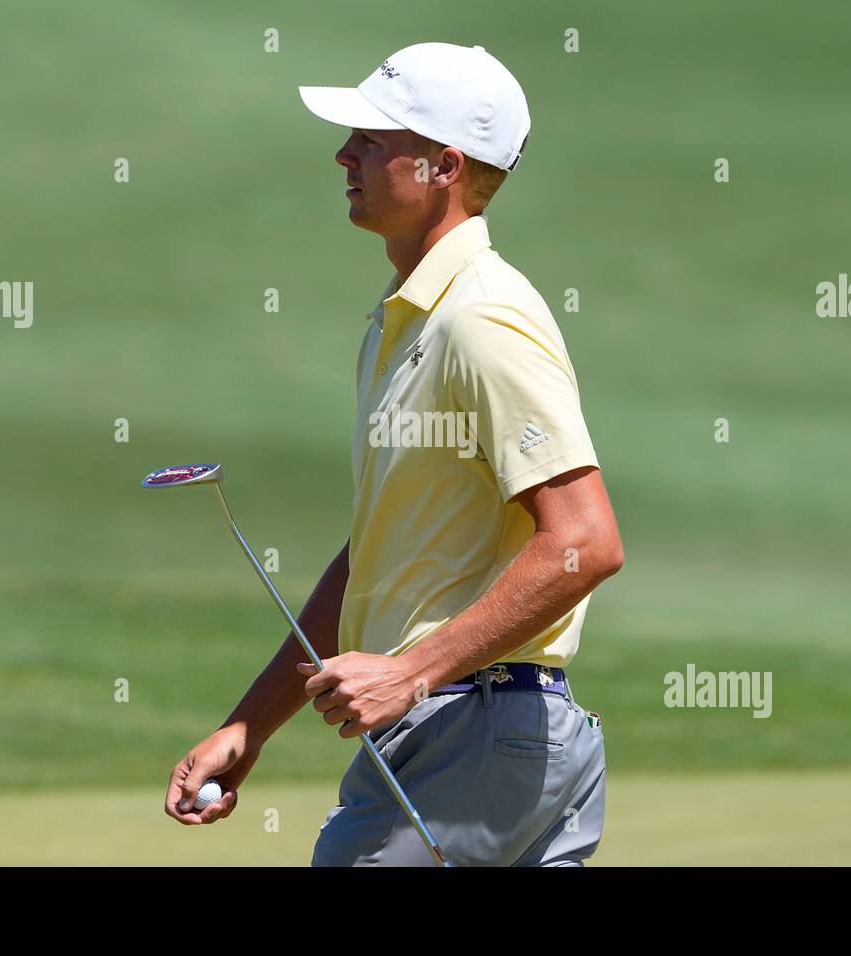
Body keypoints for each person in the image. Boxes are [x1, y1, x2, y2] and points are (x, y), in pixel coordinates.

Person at [164, 41, 624, 866]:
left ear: (444, 165)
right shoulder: (405, 320)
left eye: (374, 139)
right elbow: (376, 553)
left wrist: (411, 672)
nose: (345, 153)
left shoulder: (481, 319)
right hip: (487, 736)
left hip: (471, 737)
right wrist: (250, 723)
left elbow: (585, 543)